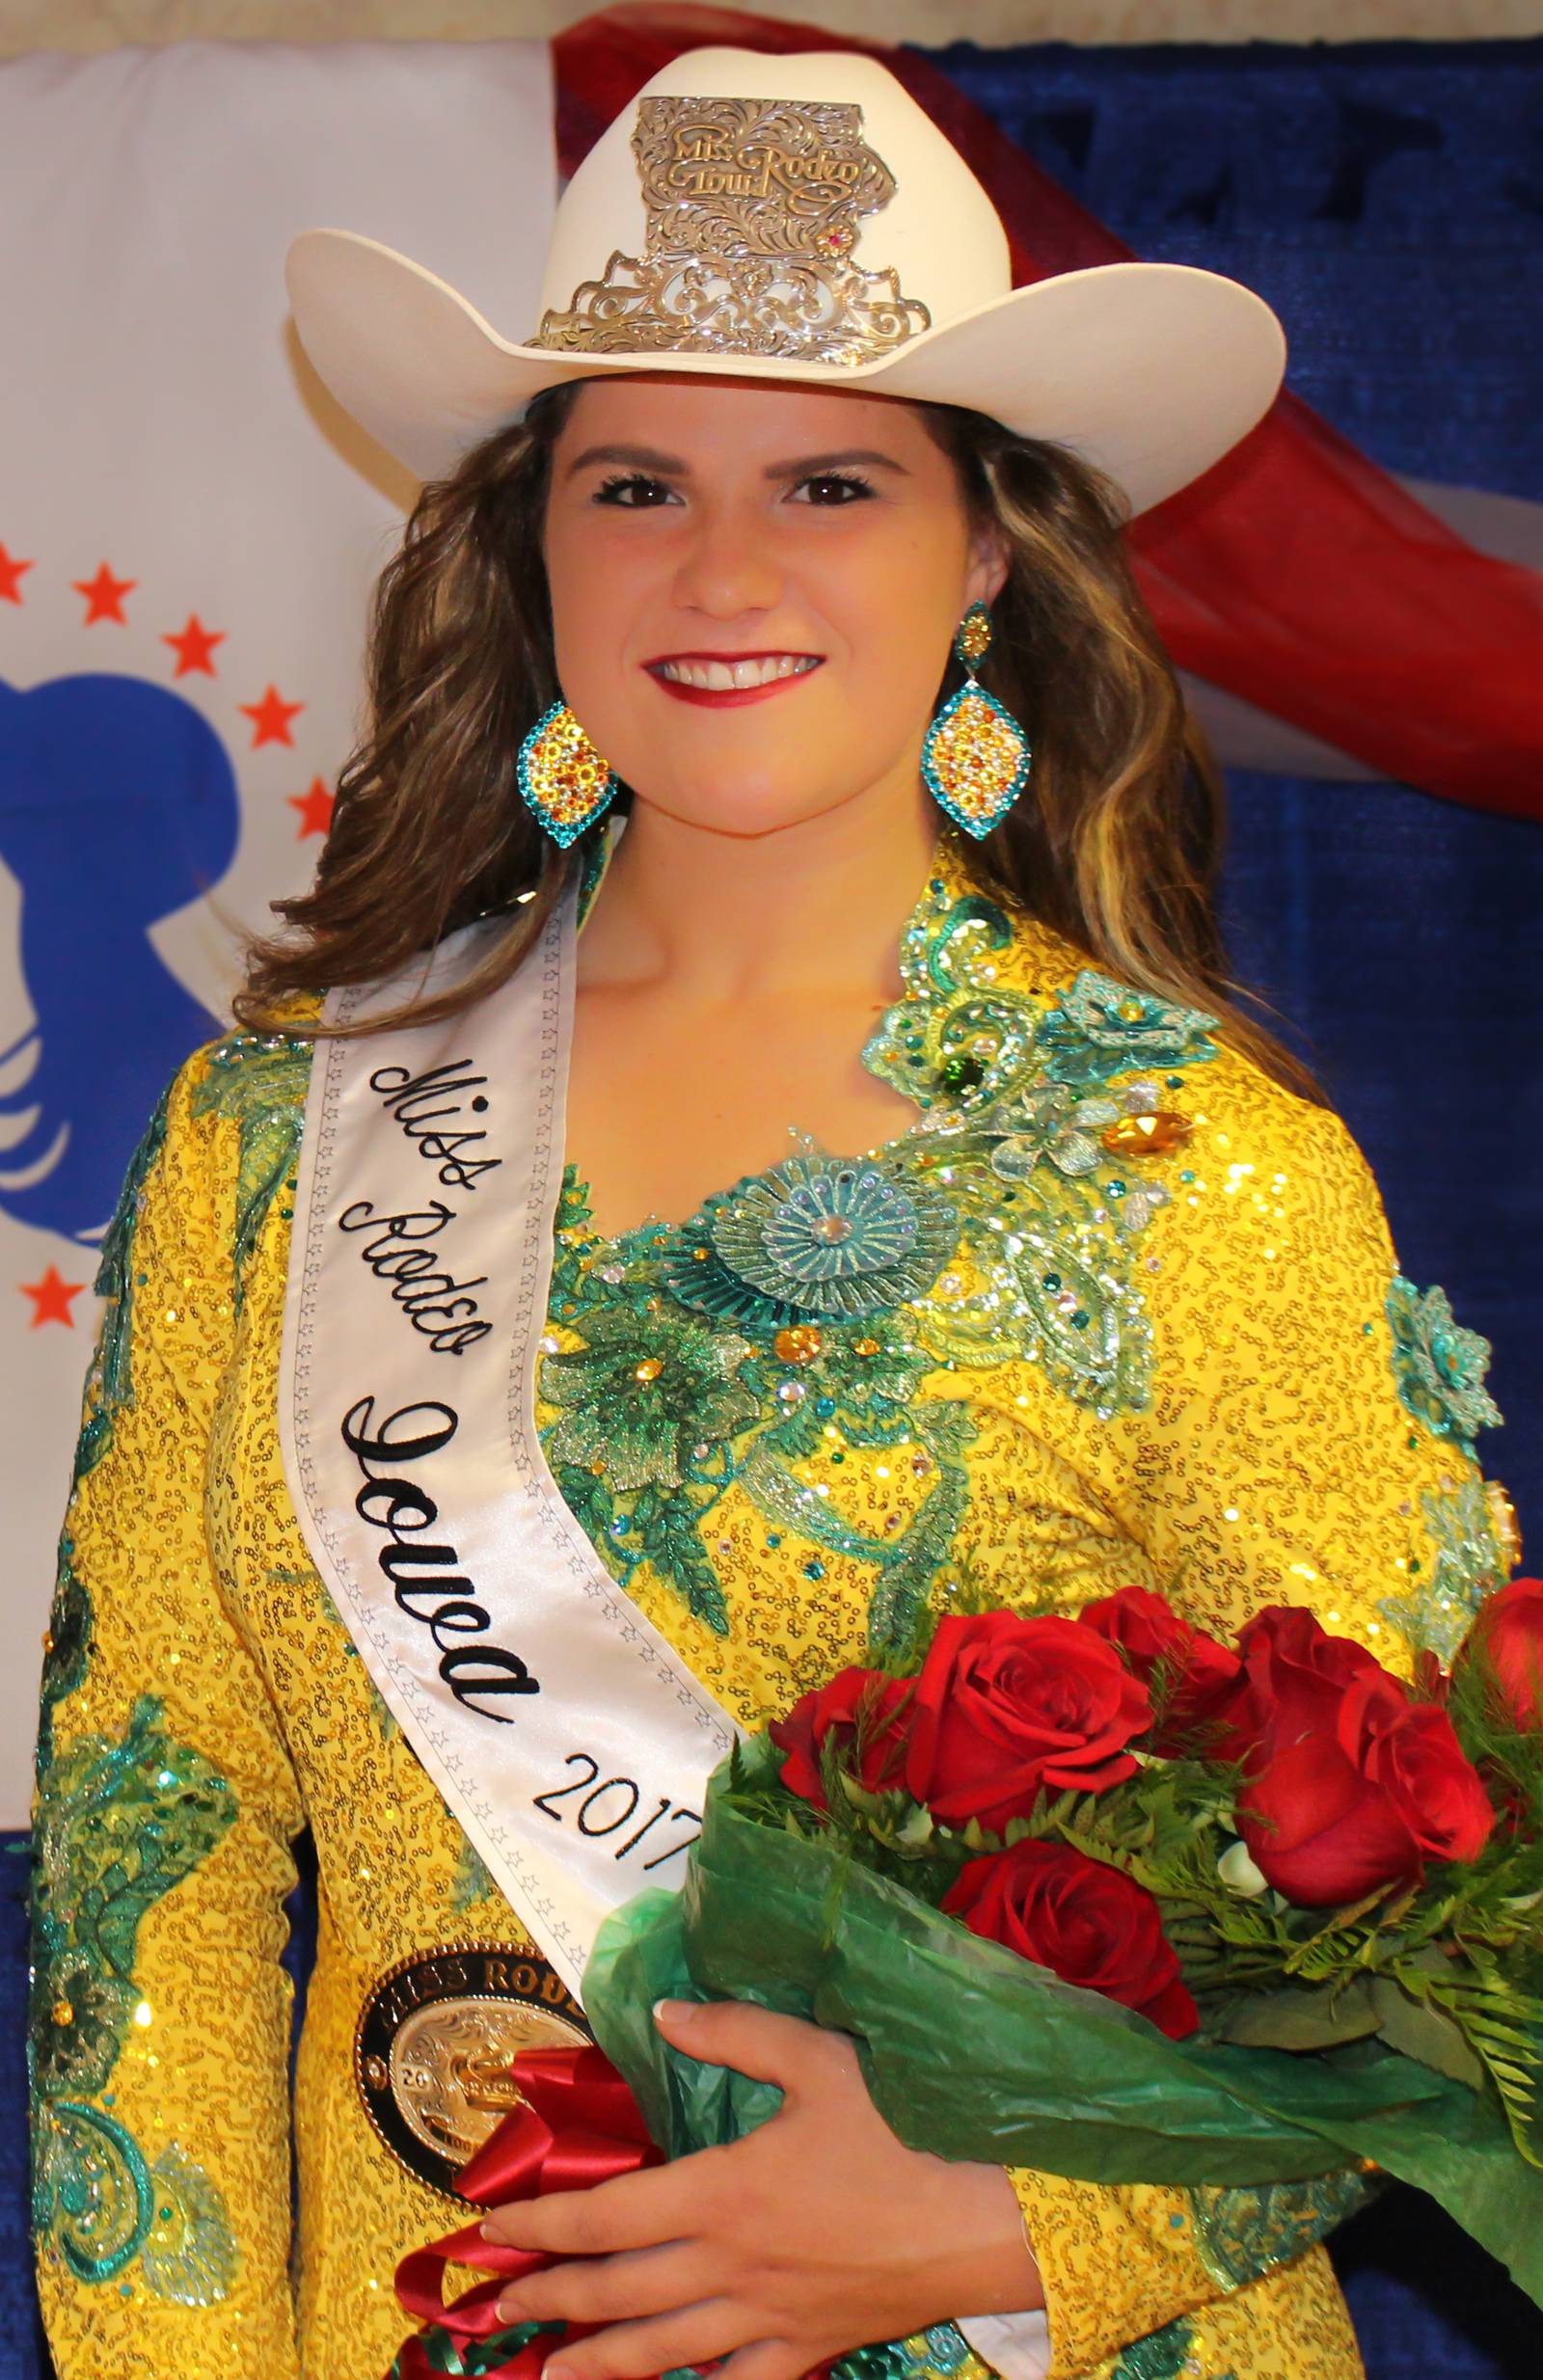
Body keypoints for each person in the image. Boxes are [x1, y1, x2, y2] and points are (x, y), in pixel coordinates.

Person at [28, 42, 1520, 2380]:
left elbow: (1444, 1922)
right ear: (534, 547)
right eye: (636, 483)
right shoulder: (265, 1154)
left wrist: (1005, 2216)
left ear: (983, 558)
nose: (719, 572)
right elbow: (153, 1883)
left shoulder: (1188, 1166)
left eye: (826, 481)